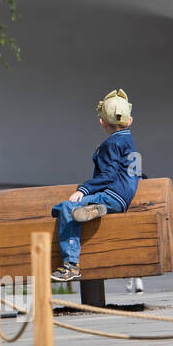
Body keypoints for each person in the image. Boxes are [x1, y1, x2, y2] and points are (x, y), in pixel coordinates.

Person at [49, 89, 141, 283]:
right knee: (67, 209)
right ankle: (94, 209)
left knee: (65, 208)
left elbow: (108, 176)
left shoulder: (111, 144)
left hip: (111, 195)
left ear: (102, 122)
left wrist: (84, 189)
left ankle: (71, 265)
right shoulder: (128, 141)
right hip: (123, 199)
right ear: (129, 121)